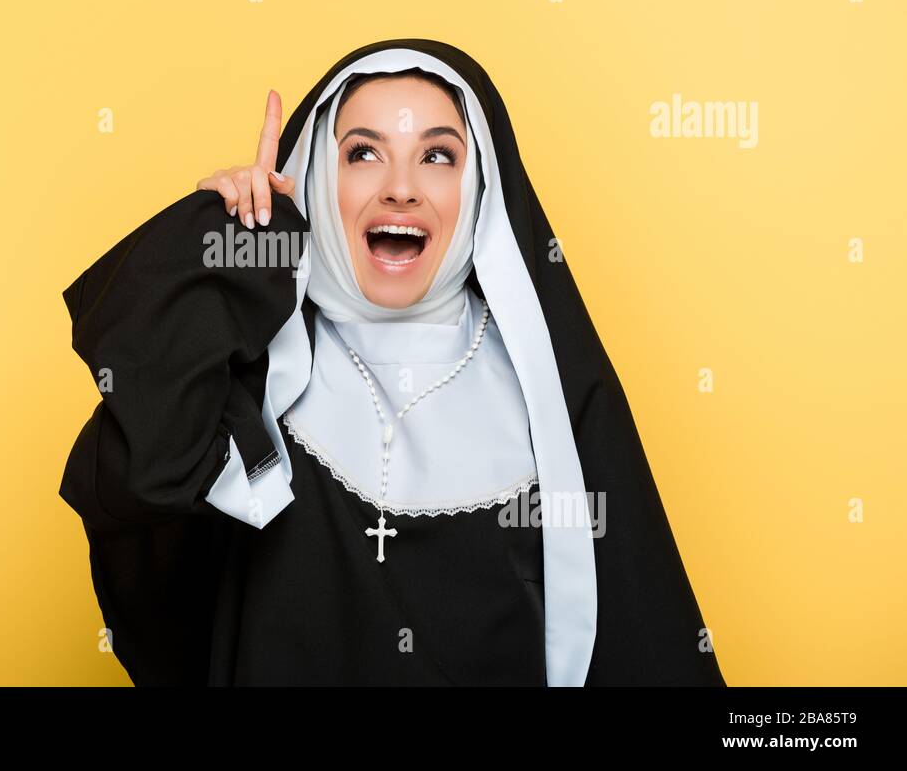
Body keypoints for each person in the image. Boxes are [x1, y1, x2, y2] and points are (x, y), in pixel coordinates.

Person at [59, 38, 727, 686]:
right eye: (363, 154)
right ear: (321, 181)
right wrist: (222, 244)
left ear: (480, 190)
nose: (401, 188)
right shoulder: (257, 379)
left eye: (437, 155)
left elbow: (647, 644)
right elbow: (132, 489)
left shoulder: (549, 402)